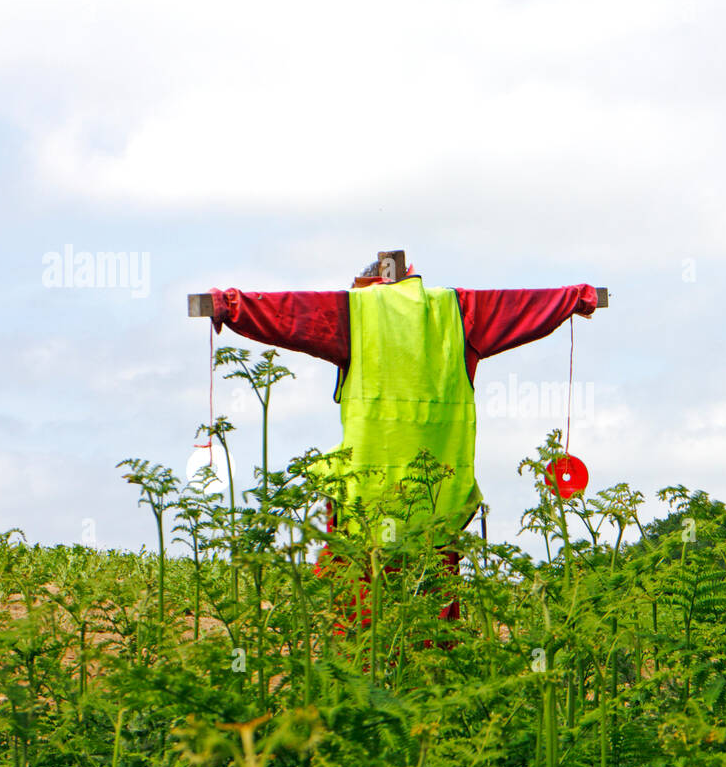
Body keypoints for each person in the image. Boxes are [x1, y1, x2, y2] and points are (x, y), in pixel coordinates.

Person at [207, 256, 597, 635]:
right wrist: (573, 298)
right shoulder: (457, 313)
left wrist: (231, 307)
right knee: (433, 632)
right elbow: (524, 306)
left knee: (363, 635)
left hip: (365, 512)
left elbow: (290, 313)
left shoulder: (353, 313)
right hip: (436, 509)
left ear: (365, 287)